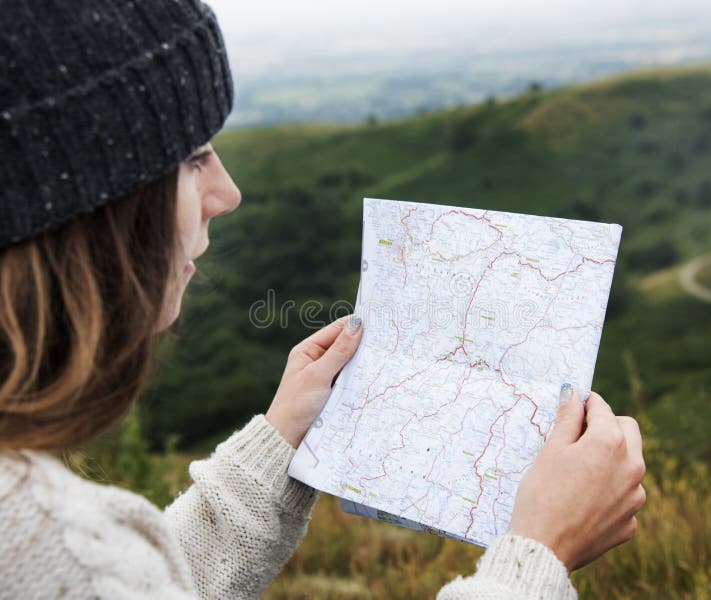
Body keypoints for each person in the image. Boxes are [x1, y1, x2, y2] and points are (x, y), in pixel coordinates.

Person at [0, 1, 646, 598]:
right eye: (193, 158)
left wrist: (284, 440)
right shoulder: (43, 539)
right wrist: (537, 555)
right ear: (85, 209)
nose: (227, 193)